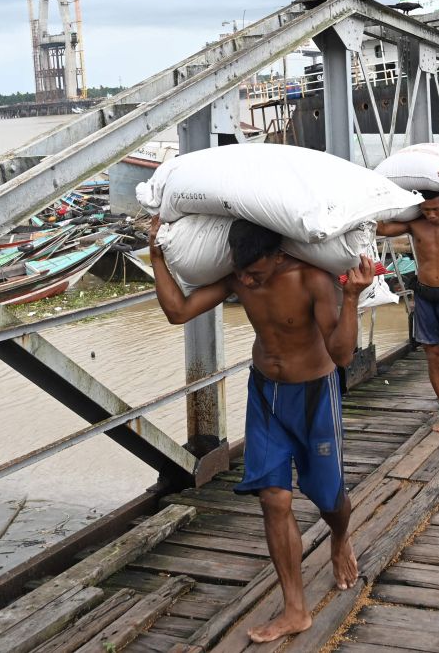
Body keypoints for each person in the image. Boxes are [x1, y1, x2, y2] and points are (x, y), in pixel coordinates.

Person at [149, 217, 374, 643]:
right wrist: (158, 257)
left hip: (314, 397)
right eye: (241, 271)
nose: (247, 281)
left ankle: (340, 538)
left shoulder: (313, 278)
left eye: (256, 271)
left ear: (279, 255)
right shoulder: (239, 278)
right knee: (273, 499)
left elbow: (342, 355)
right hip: (265, 395)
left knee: (329, 498)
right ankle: (295, 609)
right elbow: (178, 312)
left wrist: (350, 296)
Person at [376, 168, 439, 434]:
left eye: (436, 209)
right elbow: (383, 228)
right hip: (424, 294)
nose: (431, 215)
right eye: (426, 210)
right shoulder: (415, 224)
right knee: (433, 356)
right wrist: (374, 195)